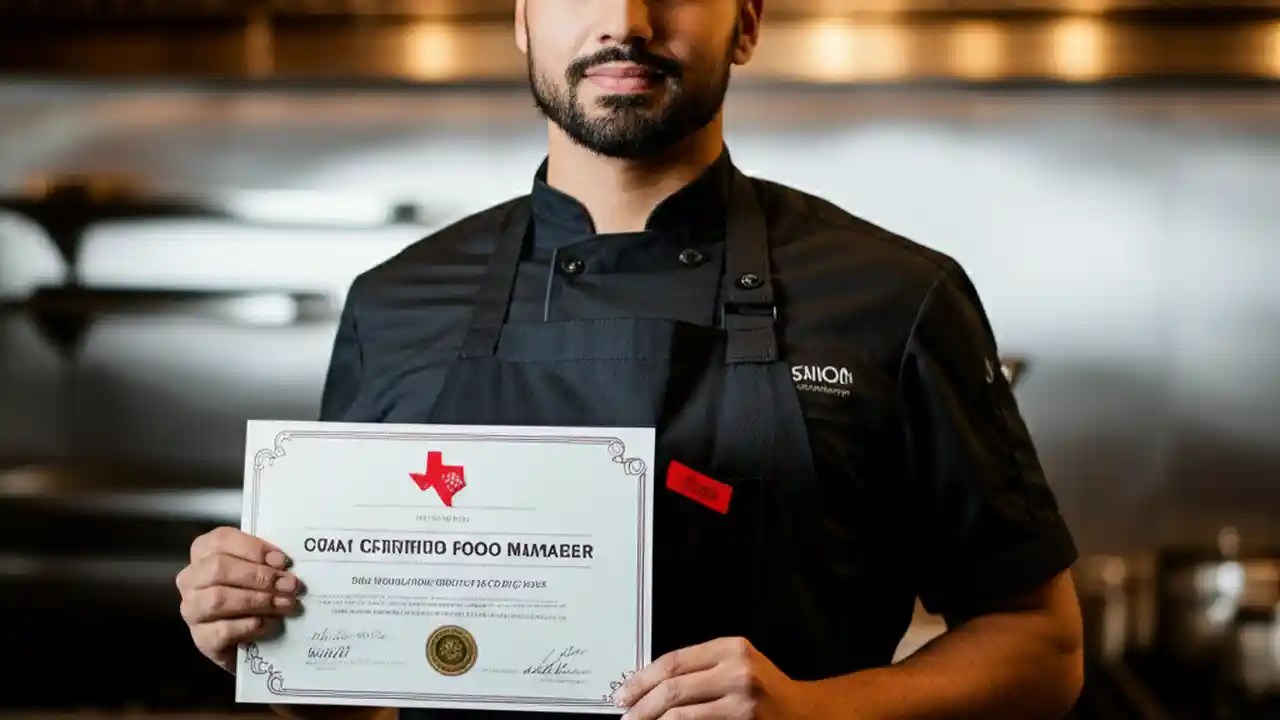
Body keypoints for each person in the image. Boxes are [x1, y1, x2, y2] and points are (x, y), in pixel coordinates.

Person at [176, 1, 1085, 718]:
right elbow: (368, 697)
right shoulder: (395, 304)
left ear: (749, 22)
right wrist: (266, 637)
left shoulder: (894, 295)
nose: (628, 19)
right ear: (523, 17)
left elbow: (1042, 645)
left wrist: (818, 714)